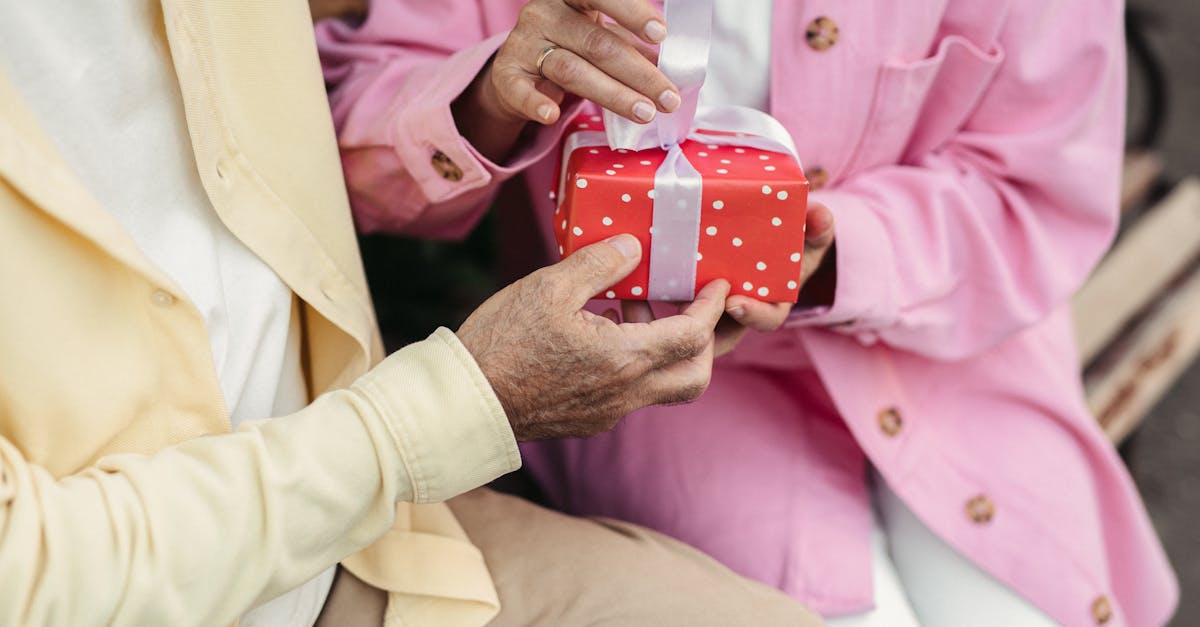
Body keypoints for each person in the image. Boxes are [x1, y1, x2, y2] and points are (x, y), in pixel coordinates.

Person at [317, 0, 1179, 625]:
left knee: (1029, 599)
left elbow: (1032, 186)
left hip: (956, 342)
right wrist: (492, 95)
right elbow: (349, 143)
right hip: (666, 380)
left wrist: (840, 251)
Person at [0, 2, 823, 626]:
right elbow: (33, 581)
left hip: (380, 544)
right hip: (325, 520)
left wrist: (489, 99)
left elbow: (351, 61)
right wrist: (458, 406)